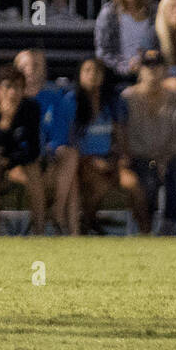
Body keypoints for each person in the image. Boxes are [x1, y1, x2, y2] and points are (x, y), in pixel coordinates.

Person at [0, 65, 45, 235]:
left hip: (13, 162)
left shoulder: (31, 108)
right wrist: (5, 122)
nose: (13, 93)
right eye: (8, 87)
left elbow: (34, 149)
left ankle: (39, 231)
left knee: (32, 168)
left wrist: (10, 161)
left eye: (18, 87)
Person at [121, 49, 176, 235]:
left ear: (164, 70)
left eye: (157, 66)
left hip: (168, 156)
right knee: (147, 178)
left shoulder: (174, 98)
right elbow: (122, 134)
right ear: (139, 70)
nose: (152, 71)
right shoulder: (127, 98)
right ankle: (145, 229)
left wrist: (165, 158)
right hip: (138, 157)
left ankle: (168, 227)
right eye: (147, 66)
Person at [14, 48, 77, 234]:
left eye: (36, 65)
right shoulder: (12, 98)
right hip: (21, 162)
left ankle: (68, 226)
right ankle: (46, 229)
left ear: (44, 70)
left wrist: (49, 154)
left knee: (71, 155)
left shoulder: (54, 98)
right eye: (25, 65)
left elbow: (59, 135)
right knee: (62, 181)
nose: (31, 70)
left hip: (48, 158)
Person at [70, 57, 135, 233]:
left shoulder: (114, 103)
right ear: (79, 75)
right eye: (88, 70)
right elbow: (70, 141)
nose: (93, 75)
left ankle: (145, 233)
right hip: (81, 160)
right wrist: (90, 160)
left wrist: (121, 157)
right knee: (99, 183)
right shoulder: (71, 101)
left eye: (98, 71)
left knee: (132, 183)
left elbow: (121, 136)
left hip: (108, 158)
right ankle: (88, 222)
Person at [94, 0, 159, 80]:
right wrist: (126, 66)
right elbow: (103, 51)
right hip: (116, 73)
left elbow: (159, 46)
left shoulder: (154, 10)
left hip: (150, 69)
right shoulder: (109, 13)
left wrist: (145, 60)